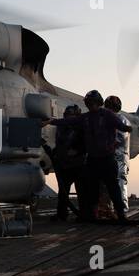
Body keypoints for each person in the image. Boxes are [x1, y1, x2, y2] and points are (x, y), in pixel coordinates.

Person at [45, 90, 130, 224]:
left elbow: (118, 124)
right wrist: (51, 122)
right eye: (89, 103)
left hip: (106, 159)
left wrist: (125, 128)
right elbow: (68, 122)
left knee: (113, 188)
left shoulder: (106, 115)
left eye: (92, 103)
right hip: (93, 160)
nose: (91, 106)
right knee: (92, 190)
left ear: (98, 103)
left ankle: (120, 215)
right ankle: (92, 215)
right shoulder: (86, 118)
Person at [42, 104, 85, 221]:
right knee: (63, 191)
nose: (68, 118)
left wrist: (77, 151)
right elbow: (60, 144)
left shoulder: (80, 128)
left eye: (71, 115)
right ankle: (62, 213)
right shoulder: (61, 128)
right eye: (67, 115)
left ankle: (84, 214)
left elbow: (85, 145)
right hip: (64, 164)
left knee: (81, 191)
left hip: (78, 164)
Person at [106, 95, 131, 214]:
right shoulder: (116, 119)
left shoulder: (122, 120)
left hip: (119, 157)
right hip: (111, 157)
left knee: (120, 182)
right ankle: (110, 209)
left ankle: (122, 209)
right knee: (112, 183)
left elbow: (119, 139)